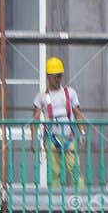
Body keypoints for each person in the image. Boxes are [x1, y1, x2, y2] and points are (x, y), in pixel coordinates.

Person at [31, 56, 86, 187]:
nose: (57, 79)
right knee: (54, 172)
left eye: (59, 76)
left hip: (69, 136)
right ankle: (55, 202)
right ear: (48, 76)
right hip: (52, 138)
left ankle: (81, 199)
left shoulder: (70, 93)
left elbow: (78, 114)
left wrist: (82, 132)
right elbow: (35, 119)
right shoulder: (42, 97)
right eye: (55, 76)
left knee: (75, 168)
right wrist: (33, 139)